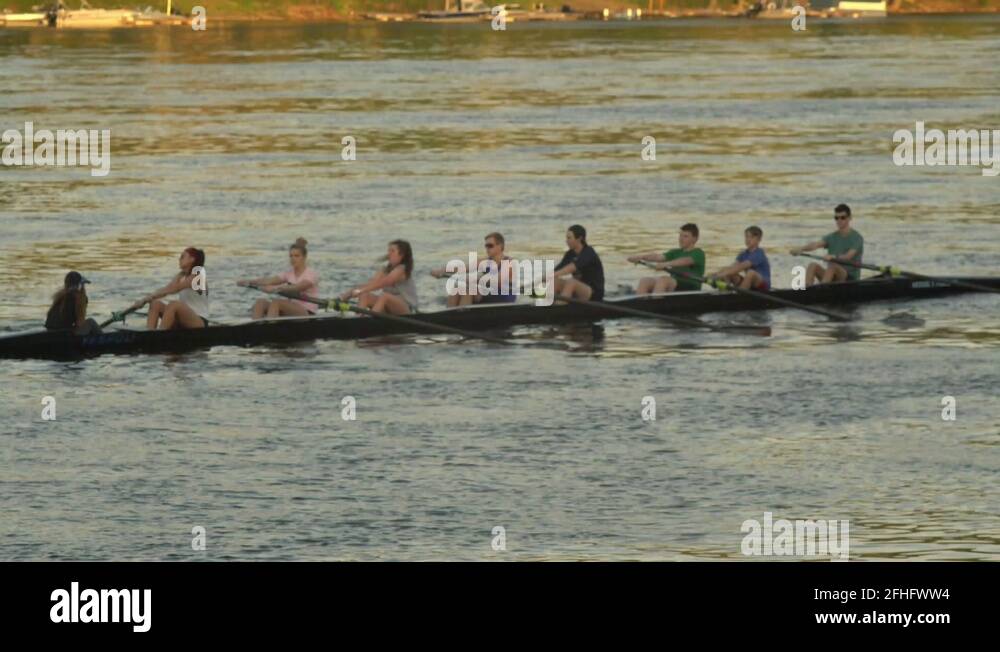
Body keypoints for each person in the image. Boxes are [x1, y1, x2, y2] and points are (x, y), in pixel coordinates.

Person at [237, 238, 320, 319]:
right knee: (260, 302)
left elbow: (297, 287)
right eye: (291, 256)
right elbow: (268, 281)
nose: (293, 259)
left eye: (296, 256)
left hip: (307, 311)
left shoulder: (311, 274)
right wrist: (248, 282)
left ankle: (270, 330)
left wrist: (275, 289)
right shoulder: (288, 273)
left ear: (304, 257)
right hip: (291, 309)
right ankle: (254, 330)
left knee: (276, 302)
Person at [430, 232, 517, 307]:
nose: (487, 249)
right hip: (489, 294)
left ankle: (463, 316)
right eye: (486, 246)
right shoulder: (485, 261)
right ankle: (450, 316)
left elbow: (497, 281)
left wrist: (473, 280)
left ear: (500, 246)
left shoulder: (509, 262)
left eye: (490, 246)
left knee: (469, 288)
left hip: (503, 299)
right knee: (458, 287)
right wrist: (442, 270)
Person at [133, 247, 210, 330]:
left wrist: (145, 300)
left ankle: (159, 336)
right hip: (183, 318)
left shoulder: (197, 276)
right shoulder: (181, 275)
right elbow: (166, 289)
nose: (179, 259)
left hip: (199, 322)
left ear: (192, 259)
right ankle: (149, 334)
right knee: (155, 304)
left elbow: (174, 289)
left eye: (182, 257)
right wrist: (144, 299)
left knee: (174, 304)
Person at [790, 204, 864, 285]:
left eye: (842, 217)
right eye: (836, 218)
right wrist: (801, 249)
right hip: (832, 276)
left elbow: (848, 256)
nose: (839, 220)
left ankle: (822, 291)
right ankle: (807, 292)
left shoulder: (857, 238)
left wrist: (834, 257)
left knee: (832, 265)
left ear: (849, 218)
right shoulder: (832, 237)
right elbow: (815, 245)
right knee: (812, 266)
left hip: (850, 279)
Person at [340, 240, 418, 314]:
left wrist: (360, 290)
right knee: (365, 294)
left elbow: (385, 282)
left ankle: (367, 322)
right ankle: (358, 319)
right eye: (388, 251)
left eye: (392, 251)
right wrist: (347, 295)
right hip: (388, 306)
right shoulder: (384, 270)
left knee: (384, 296)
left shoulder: (402, 269)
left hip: (406, 308)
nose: (389, 254)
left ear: (402, 255)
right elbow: (371, 284)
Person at [627, 223, 706, 294]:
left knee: (663, 280)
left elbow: (686, 261)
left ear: (694, 239)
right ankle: (641, 305)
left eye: (685, 236)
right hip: (675, 284)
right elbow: (658, 257)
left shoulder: (698, 253)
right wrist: (640, 257)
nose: (681, 239)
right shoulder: (675, 252)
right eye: (680, 235)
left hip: (691, 288)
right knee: (645, 281)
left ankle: (656, 305)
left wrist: (666, 264)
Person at [709, 226, 771, 290]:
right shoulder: (743, 254)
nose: (748, 239)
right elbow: (732, 267)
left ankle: (739, 297)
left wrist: (719, 275)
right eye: (746, 236)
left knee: (750, 273)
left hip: (763, 285)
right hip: (750, 284)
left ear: (759, 239)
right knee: (728, 271)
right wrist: (715, 274)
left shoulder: (759, 253)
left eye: (752, 237)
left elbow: (741, 267)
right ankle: (724, 293)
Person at [552, 225, 605, 301]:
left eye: (569, 238)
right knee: (554, 281)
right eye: (566, 238)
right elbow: (557, 270)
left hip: (594, 293)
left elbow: (571, 268)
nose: (566, 241)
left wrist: (551, 275)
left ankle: (559, 308)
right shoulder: (569, 254)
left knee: (571, 282)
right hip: (577, 290)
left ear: (579, 239)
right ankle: (548, 306)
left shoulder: (589, 252)